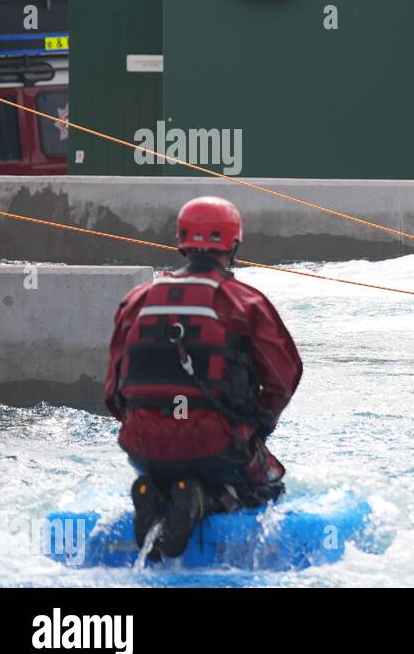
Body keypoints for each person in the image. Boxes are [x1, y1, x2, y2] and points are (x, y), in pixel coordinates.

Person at [103, 196, 303, 559]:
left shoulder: (136, 299)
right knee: (268, 488)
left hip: (142, 445)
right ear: (234, 245)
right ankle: (204, 499)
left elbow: (113, 391)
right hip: (217, 444)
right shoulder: (246, 302)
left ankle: (157, 492)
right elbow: (284, 376)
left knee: (172, 462)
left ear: (181, 243)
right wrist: (259, 423)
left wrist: (152, 422)